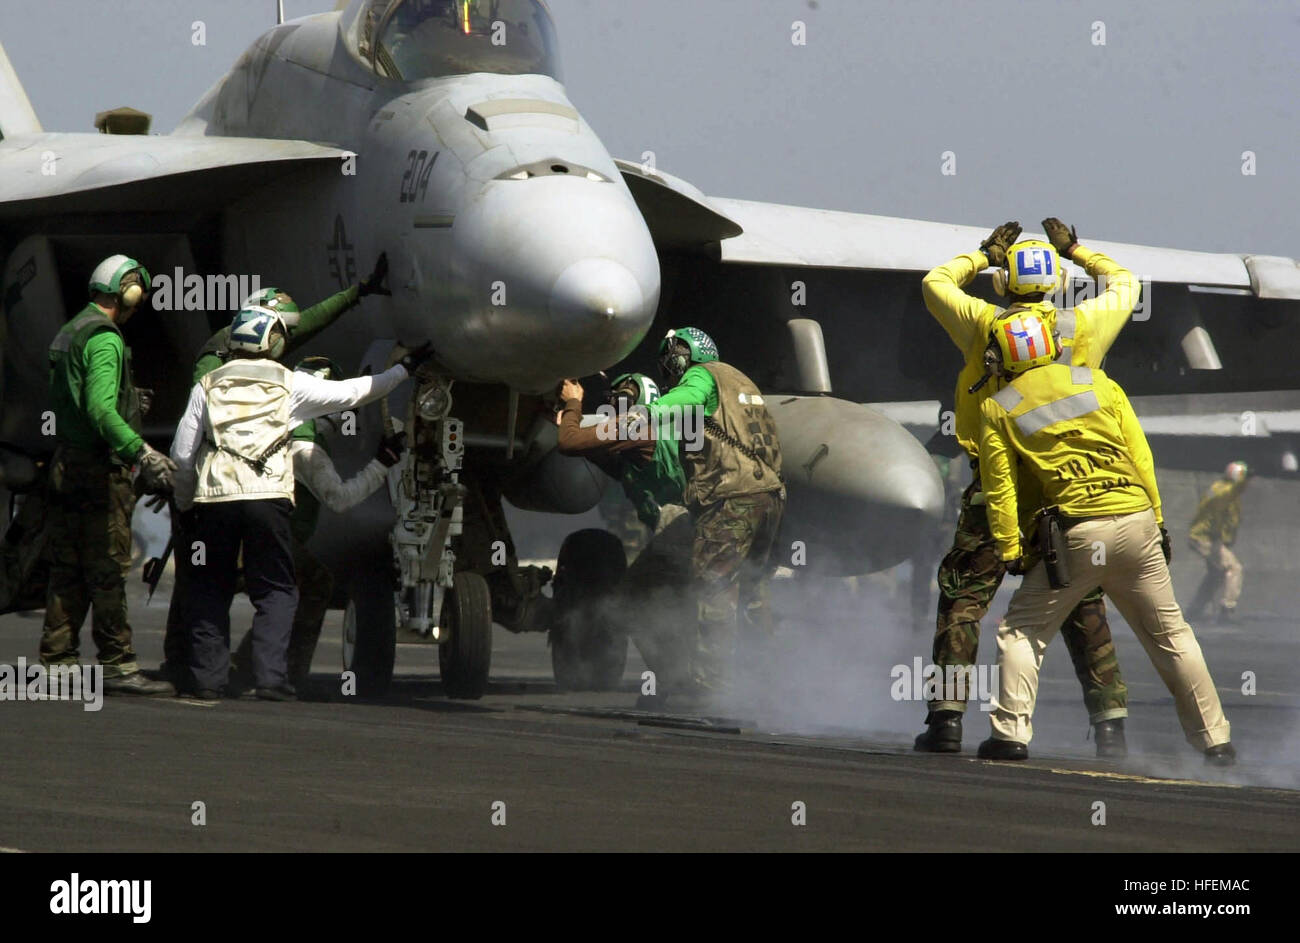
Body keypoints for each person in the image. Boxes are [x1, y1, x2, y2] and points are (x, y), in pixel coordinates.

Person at [916, 218, 1138, 756]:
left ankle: (947, 720)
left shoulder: (982, 322)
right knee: (1080, 599)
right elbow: (1126, 283)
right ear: (1057, 283)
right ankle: (1109, 725)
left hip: (998, 483)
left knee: (965, 599)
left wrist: (983, 253)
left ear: (1002, 282)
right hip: (1067, 488)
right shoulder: (1084, 324)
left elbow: (934, 284)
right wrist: (1078, 250)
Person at [975, 307, 1234, 765]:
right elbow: (1141, 455)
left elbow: (1001, 488)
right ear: (1050, 344)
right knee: (1172, 636)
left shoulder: (999, 406)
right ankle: (1216, 741)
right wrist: (1156, 518)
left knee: (1021, 632)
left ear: (1004, 355)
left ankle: (1010, 736)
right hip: (1135, 521)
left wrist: (1011, 548)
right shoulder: (1098, 382)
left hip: (1076, 534)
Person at [169, 304, 430, 700]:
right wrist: (404, 370)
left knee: (209, 588)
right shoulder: (288, 384)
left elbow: (183, 454)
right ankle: (271, 679)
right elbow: (356, 391)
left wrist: (187, 504)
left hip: (215, 500)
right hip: (267, 500)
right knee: (277, 590)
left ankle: (208, 680)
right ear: (273, 342)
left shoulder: (206, 386)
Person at [228, 356, 407, 695]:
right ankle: (285, 673)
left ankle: (221, 665)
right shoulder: (306, 445)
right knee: (310, 585)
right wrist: (384, 462)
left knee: (239, 588)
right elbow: (339, 499)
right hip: (266, 530)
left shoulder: (267, 417)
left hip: (230, 518)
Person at [40, 255, 175, 695]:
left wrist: (129, 401)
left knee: (67, 567)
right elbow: (99, 408)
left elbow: (77, 397)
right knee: (108, 569)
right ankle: (118, 664)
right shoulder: (106, 339)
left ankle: (57, 662)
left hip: (66, 463)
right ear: (129, 292)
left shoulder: (71, 329)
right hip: (98, 471)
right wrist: (142, 451)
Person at [647, 327, 785, 698]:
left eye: (670, 364)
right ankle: (766, 687)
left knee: (714, 587)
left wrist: (644, 412)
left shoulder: (701, 376)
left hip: (733, 497)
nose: (670, 374)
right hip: (769, 496)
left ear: (680, 356)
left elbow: (683, 400)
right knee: (753, 590)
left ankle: (708, 690)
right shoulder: (741, 381)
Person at [555, 372, 693, 686]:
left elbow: (569, 443)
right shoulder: (653, 439)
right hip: (684, 533)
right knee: (668, 605)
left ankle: (678, 681)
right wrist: (563, 418)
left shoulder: (640, 425)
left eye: (622, 400)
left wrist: (574, 403)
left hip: (680, 534)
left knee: (632, 601)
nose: (615, 409)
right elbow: (597, 452)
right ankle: (684, 680)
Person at [1187, 461, 1250, 623]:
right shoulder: (1225, 492)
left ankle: (1194, 610)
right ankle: (1227, 610)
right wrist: (1219, 541)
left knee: (1215, 575)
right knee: (1234, 568)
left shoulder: (1220, 489)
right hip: (1206, 538)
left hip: (1203, 536)